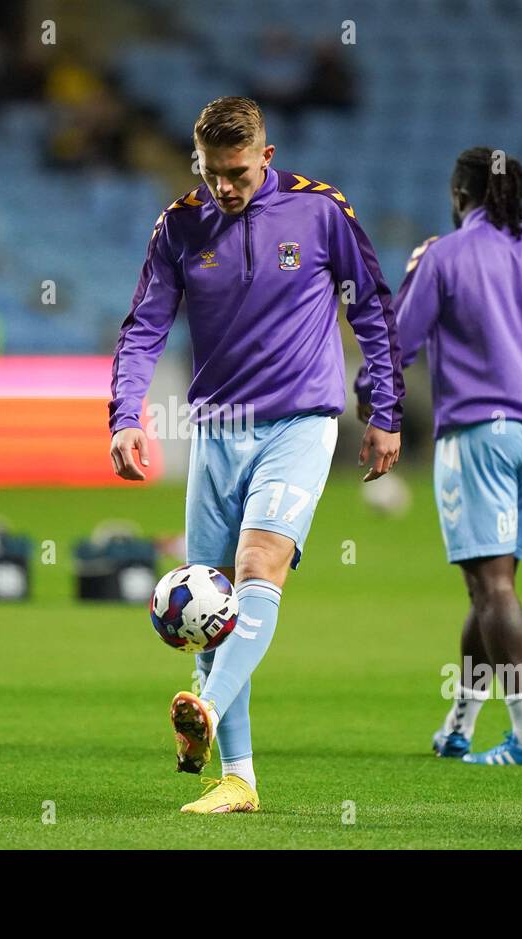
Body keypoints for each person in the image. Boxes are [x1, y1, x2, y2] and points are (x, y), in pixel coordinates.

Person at [109, 97, 404, 812]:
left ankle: (203, 710)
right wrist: (126, 416)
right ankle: (238, 778)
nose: (225, 188)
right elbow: (144, 326)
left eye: (237, 173)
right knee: (211, 607)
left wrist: (384, 408)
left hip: (301, 421)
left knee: (257, 566)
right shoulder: (179, 224)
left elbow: (370, 305)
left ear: (265, 158)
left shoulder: (321, 212)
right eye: (212, 174)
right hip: (216, 430)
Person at [361, 147, 522, 766]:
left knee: (492, 585)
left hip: (478, 437)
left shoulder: (445, 255)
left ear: (460, 196)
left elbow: (398, 341)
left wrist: (370, 397)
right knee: (490, 586)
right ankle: (460, 724)